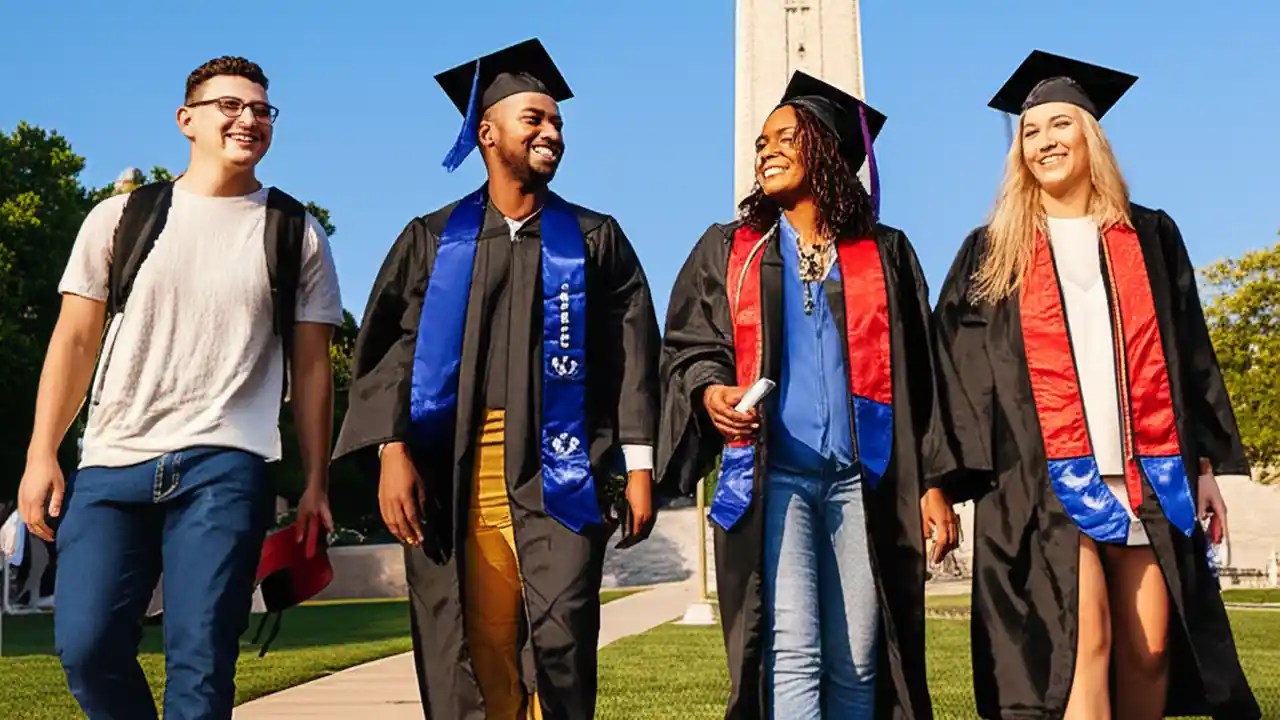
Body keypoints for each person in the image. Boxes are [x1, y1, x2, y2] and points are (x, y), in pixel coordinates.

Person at [333, 38, 661, 720]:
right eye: (534, 119)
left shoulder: (595, 239)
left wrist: (639, 468)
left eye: (557, 123)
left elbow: (633, 355)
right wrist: (392, 450)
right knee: (473, 647)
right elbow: (390, 351)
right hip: (454, 471)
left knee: (561, 638)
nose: (551, 133)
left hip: (563, 464)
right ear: (487, 133)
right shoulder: (432, 238)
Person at [931, 50, 1259, 719]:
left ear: (1091, 136)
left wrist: (1204, 467)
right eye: (1031, 132)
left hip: (1148, 476)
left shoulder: (1151, 237)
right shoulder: (992, 252)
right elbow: (952, 372)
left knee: (1153, 649)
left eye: (1060, 125)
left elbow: (1190, 354)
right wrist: (936, 481)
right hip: (1043, 486)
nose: (1045, 141)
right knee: (1084, 644)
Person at [17, 56, 343, 719]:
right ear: (186, 120)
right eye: (230, 105)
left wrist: (315, 483)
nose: (248, 119)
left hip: (226, 463)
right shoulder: (120, 217)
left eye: (260, 109)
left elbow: (312, 370)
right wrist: (40, 452)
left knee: (201, 659)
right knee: (87, 647)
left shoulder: (294, 232)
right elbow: (75, 342)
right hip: (113, 461)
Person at [656, 71, 958, 720]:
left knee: (858, 657)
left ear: (825, 149)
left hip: (863, 481)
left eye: (784, 138)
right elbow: (691, 344)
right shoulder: (731, 250)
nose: (764, 150)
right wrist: (710, 391)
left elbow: (923, 374)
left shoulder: (885, 254)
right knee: (792, 647)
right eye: (761, 141)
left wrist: (932, 481)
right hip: (776, 480)